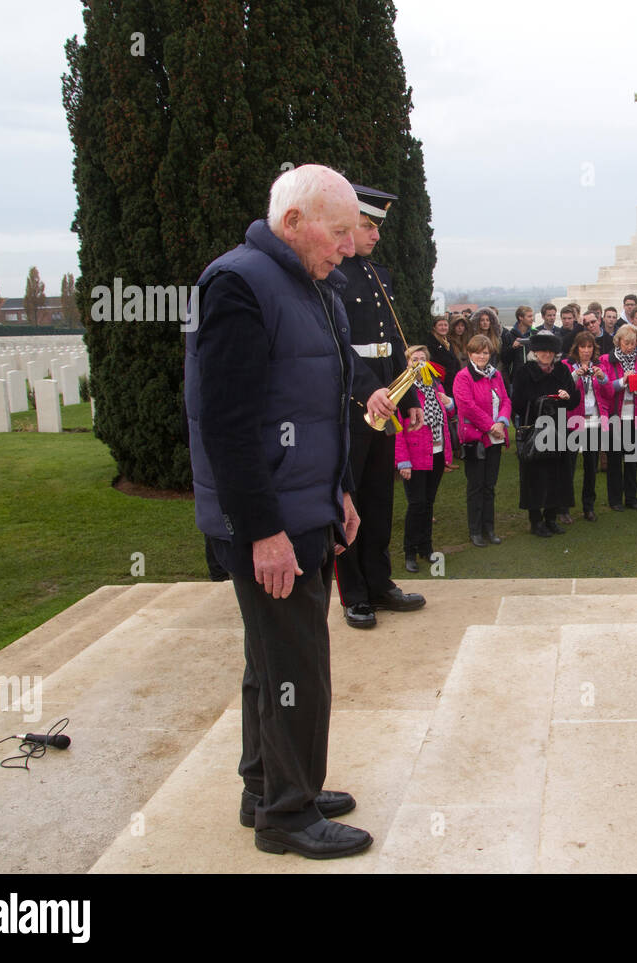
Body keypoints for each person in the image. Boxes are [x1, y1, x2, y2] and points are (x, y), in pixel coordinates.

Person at [186, 163, 388, 858]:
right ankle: (289, 813)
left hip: (308, 505)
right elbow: (229, 424)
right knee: (298, 662)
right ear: (293, 222)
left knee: (271, 659)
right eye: (337, 232)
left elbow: (324, 405)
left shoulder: (316, 288)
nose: (347, 245)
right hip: (269, 520)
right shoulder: (239, 284)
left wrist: (339, 492)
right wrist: (263, 531)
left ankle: (267, 783)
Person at [332, 183, 426, 631]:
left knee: (379, 496)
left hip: (385, 401)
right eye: (369, 225)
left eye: (376, 227)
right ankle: (353, 593)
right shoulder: (333, 274)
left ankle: (379, 582)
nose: (375, 235)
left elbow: (391, 347)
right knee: (350, 499)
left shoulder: (376, 275)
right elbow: (340, 349)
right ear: (348, 225)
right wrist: (368, 391)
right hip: (354, 404)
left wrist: (406, 400)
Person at [511, 329, 579, 536]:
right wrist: (540, 399)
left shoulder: (562, 371)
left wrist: (567, 396)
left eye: (550, 351)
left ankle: (551, 517)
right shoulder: (524, 371)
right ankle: (535, 521)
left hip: (558, 430)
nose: (546, 355)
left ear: (555, 353)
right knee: (534, 477)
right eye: (542, 351)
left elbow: (574, 401)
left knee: (557, 476)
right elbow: (517, 404)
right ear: (535, 351)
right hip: (534, 430)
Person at [396, 344, 454, 573]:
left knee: (428, 503)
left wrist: (449, 403)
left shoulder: (434, 385)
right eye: (414, 359)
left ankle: (426, 547)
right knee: (416, 504)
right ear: (407, 363)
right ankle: (409, 551)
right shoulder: (403, 389)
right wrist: (403, 461)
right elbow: (398, 428)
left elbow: (445, 416)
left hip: (436, 453)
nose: (419, 363)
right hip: (415, 455)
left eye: (423, 358)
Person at [452, 333, 511, 547]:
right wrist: (489, 427)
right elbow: (467, 406)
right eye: (477, 352)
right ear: (469, 354)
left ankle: (489, 528)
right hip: (476, 439)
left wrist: (502, 422)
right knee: (476, 486)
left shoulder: (496, 375)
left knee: (490, 486)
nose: (482, 356)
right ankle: (475, 530)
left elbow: (505, 399)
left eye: (485, 352)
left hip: (495, 437)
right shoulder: (463, 377)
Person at [600, 323, 637, 511]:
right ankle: (615, 500)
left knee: (632, 459)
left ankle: (631, 497)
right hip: (615, 416)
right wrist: (623, 381)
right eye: (626, 342)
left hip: (635, 415)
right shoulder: (606, 360)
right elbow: (604, 389)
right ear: (618, 341)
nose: (630, 346)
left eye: (633, 343)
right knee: (614, 460)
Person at [563, 331, 612, 520]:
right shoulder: (567, 365)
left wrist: (602, 378)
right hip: (573, 420)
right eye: (582, 347)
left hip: (594, 421)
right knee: (569, 465)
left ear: (594, 349)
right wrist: (575, 375)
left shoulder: (599, 366)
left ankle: (588, 506)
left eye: (589, 347)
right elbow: (563, 389)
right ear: (577, 348)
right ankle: (564, 507)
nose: (586, 351)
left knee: (591, 466)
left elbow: (608, 393)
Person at [501, 305, 536, 383]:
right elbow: (504, 359)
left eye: (532, 316)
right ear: (520, 317)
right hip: (514, 379)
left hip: (533, 378)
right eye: (529, 316)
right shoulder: (508, 335)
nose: (532, 319)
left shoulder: (535, 334)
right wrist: (513, 347)